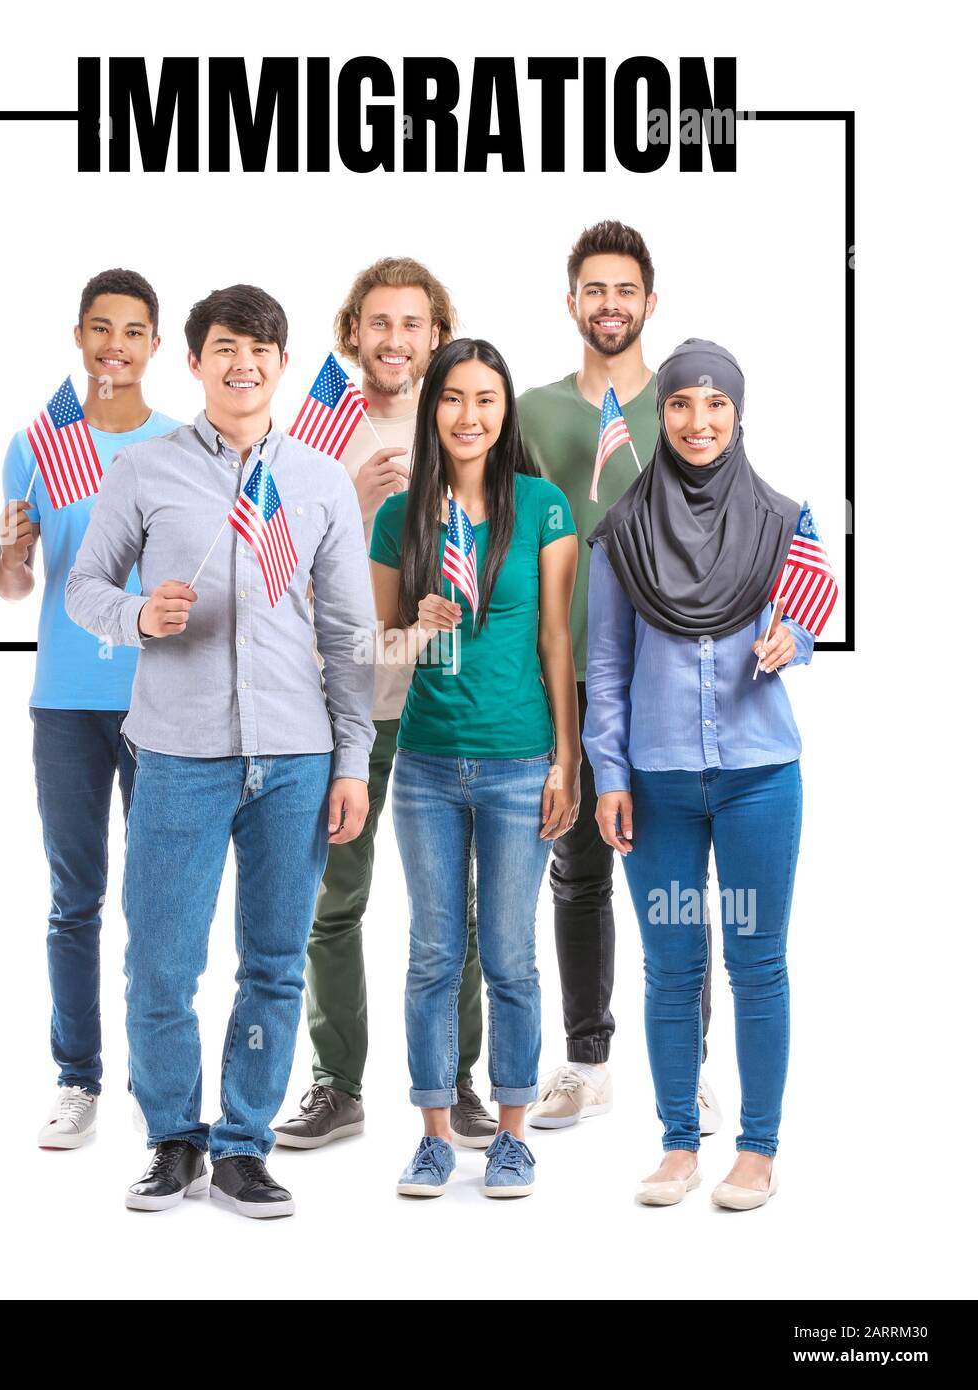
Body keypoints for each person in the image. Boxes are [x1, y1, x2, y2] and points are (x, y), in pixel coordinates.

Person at [65, 285, 376, 1218]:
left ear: (283, 365)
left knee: (275, 960)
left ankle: (243, 1142)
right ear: (193, 362)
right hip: (178, 754)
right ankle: (173, 1138)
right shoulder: (145, 473)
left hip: (296, 757)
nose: (245, 363)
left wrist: (352, 760)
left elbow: (350, 631)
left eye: (263, 349)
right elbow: (84, 585)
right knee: (160, 961)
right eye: (226, 347)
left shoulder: (318, 483)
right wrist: (134, 615)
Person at [585, 338, 814, 1210]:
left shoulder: (783, 521)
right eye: (680, 403)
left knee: (756, 963)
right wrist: (610, 775)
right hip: (659, 788)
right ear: (660, 413)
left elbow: (805, 621)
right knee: (673, 966)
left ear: (737, 415)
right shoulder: (622, 535)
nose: (697, 420)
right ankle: (678, 1143)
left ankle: (757, 1150)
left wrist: (794, 641)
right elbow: (605, 668)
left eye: (715, 404)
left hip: (759, 779)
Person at [275, 258, 495, 1152]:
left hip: (445, 696)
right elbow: (271, 568)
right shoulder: (315, 433)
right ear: (352, 333)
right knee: (333, 902)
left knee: (460, 906)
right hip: (349, 701)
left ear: (436, 334)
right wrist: (349, 501)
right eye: (378, 323)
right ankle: (337, 1083)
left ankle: (461, 1078)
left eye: (412, 324)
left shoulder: (466, 421)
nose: (395, 340)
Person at [518, 221, 720, 1134]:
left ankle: (693, 1062)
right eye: (592, 291)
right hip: (563, 672)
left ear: (647, 302)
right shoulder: (533, 414)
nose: (608, 306)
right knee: (577, 867)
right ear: (572, 304)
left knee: (678, 876)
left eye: (623, 291)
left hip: (671, 675)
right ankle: (586, 1060)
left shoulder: (683, 405)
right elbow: (500, 534)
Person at [370, 338, 580, 1199]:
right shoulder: (398, 516)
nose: (468, 416)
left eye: (485, 400)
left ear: (505, 412)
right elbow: (375, 653)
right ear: (433, 411)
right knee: (430, 951)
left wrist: (566, 760)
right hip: (422, 765)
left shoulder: (543, 507)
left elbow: (556, 638)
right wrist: (419, 628)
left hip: (519, 760)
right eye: (452, 399)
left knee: (509, 955)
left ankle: (511, 1134)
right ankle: (429, 1133)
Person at [0, 268, 180, 1149]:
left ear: (153, 343)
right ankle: (78, 1079)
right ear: (78, 336)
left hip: (163, 700)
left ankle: (158, 1082)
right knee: (76, 897)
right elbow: (14, 584)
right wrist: (9, 553)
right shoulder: (38, 447)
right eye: (100, 329)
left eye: (133, 330)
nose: (115, 345)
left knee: (159, 901)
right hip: (67, 700)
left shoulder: (183, 444)